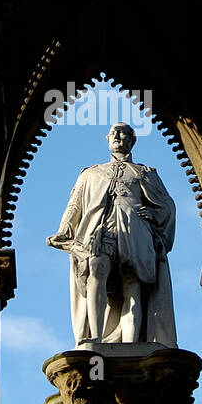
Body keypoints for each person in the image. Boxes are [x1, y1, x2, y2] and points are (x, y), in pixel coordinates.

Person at [47, 124, 177, 345]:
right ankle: (95, 336)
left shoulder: (145, 173)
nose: (118, 136)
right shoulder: (91, 173)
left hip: (135, 230)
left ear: (132, 140)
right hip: (100, 229)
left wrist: (153, 214)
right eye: (114, 133)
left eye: (123, 132)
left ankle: (131, 342)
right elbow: (75, 205)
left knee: (133, 283)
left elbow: (167, 206)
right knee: (96, 272)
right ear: (107, 139)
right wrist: (64, 229)